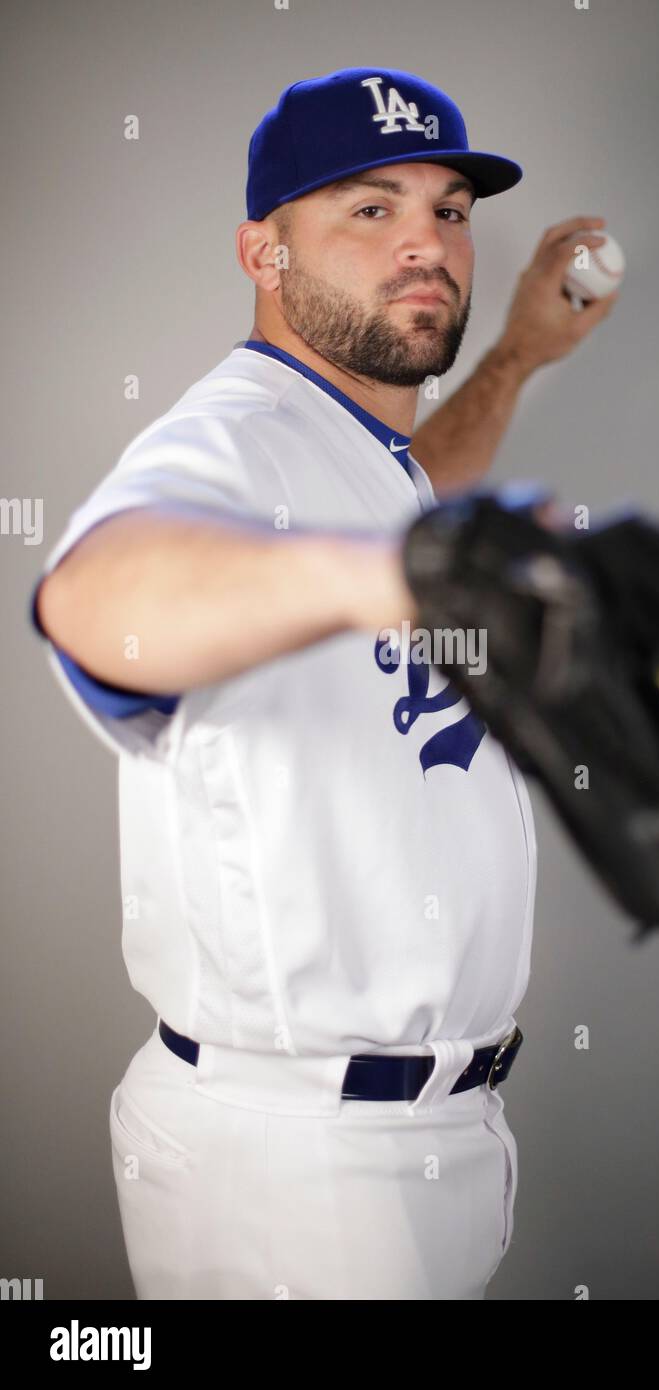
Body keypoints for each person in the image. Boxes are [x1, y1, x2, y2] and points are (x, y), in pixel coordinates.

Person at [30, 66, 617, 1300]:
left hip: (424, 1144)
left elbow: (409, 502)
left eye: (448, 209)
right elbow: (98, 600)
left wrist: (512, 356)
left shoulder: (355, 443)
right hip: (295, 1167)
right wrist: (394, 580)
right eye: (367, 208)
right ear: (264, 251)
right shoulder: (227, 434)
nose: (426, 242)